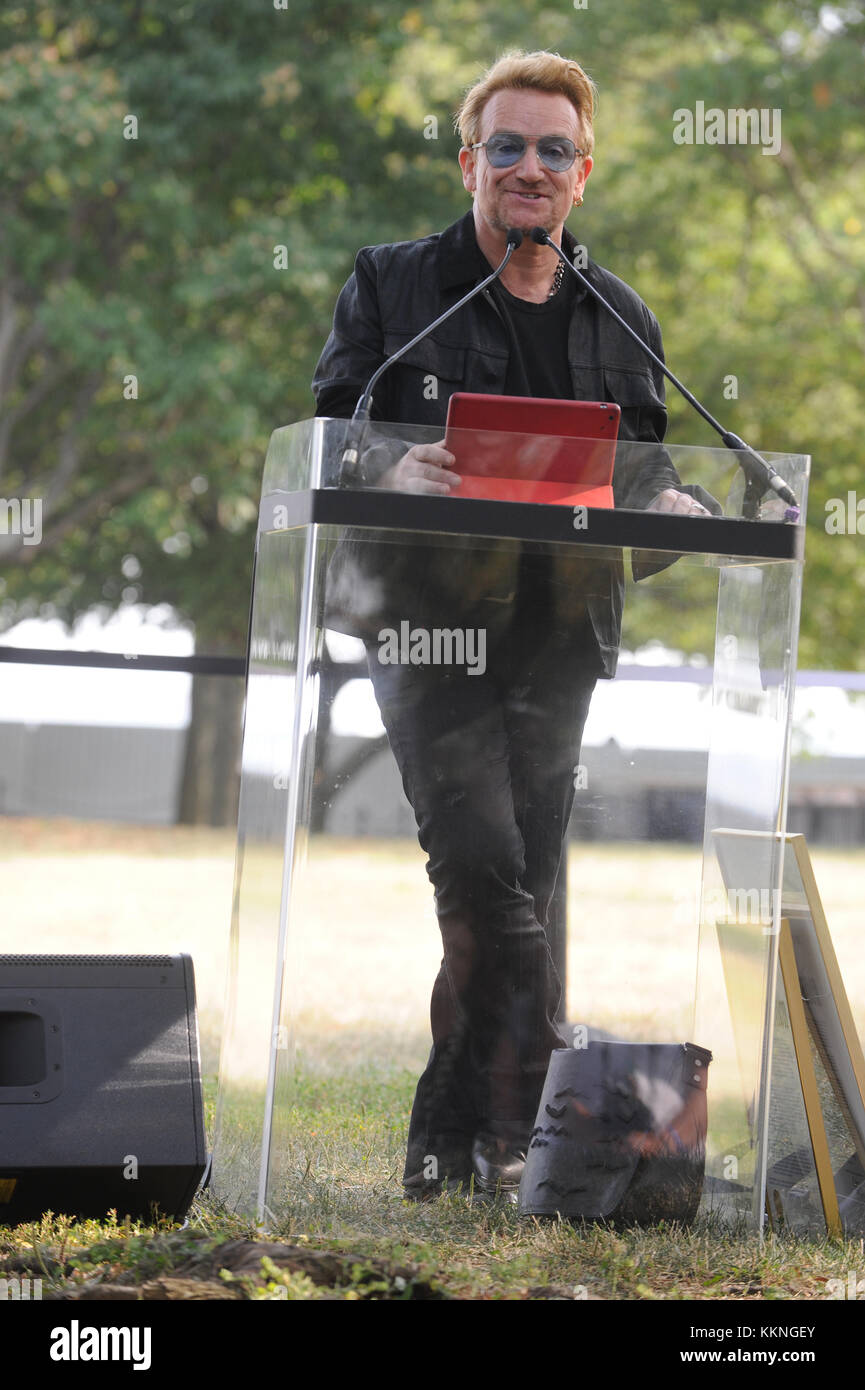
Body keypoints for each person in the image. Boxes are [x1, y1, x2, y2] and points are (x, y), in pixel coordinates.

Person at [312, 50, 710, 1201]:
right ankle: (552, 1099)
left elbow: (644, 478)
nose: (526, 167)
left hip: (561, 638)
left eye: (550, 151)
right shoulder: (392, 282)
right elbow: (331, 431)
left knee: (506, 893)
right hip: (423, 626)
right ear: (469, 161)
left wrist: (673, 499)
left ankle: (461, 1145)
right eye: (505, 146)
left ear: (581, 175)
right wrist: (394, 462)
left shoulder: (620, 314)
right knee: (487, 867)